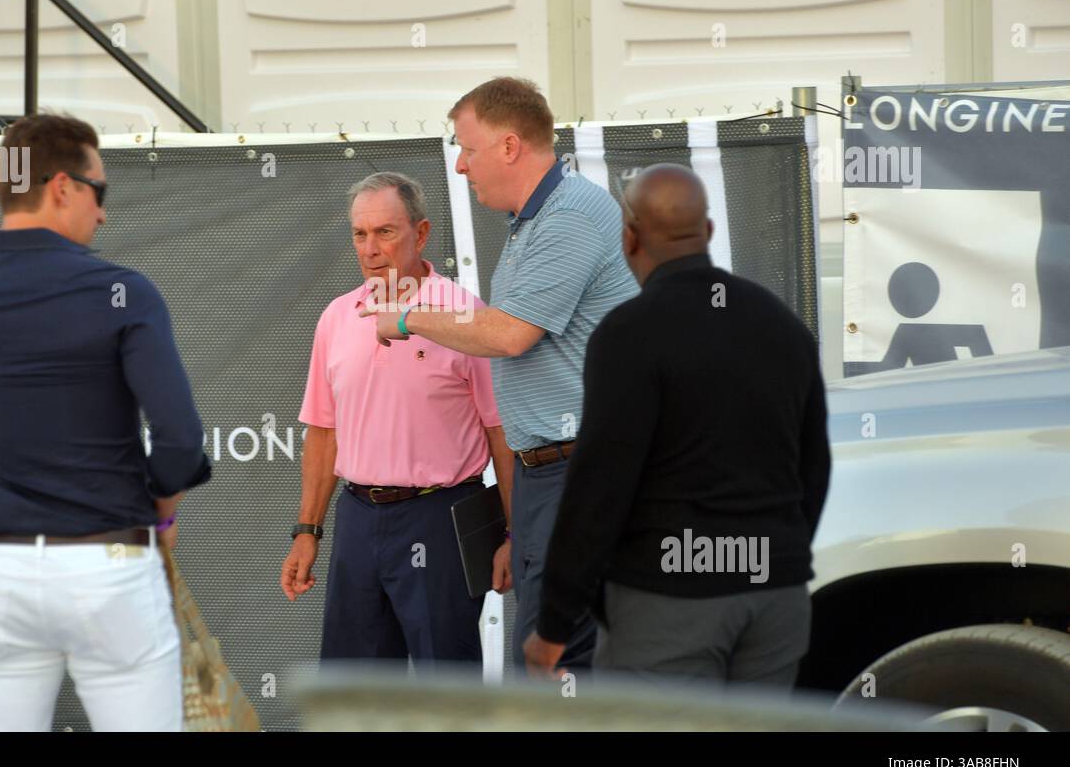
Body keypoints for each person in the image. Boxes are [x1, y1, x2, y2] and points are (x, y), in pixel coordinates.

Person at [0, 113, 211, 731]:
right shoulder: (122, 292)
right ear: (61, 189)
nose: (103, 213)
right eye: (100, 192)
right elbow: (180, 440)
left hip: (1, 571)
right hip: (109, 566)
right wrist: (163, 514)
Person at [364, 77, 637, 670]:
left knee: (557, 669)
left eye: (467, 148)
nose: (460, 166)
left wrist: (408, 317)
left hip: (578, 472)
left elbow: (509, 334)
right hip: (554, 474)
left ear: (510, 146)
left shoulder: (568, 219)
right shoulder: (535, 221)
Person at [523, 164, 831, 686]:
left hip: (667, 601)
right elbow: (814, 465)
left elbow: (599, 486)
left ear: (629, 236)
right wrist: (779, 558)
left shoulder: (629, 334)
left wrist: (553, 624)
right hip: (774, 597)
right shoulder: (780, 324)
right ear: (708, 231)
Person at [282, 172, 514, 663]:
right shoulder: (337, 317)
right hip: (357, 521)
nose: (370, 249)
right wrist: (307, 531)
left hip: (442, 519)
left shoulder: (465, 315)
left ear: (422, 233)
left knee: (444, 692)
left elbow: (502, 434)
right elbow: (323, 433)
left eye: (385, 232)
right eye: (360, 234)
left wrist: (515, 535)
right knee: (354, 691)